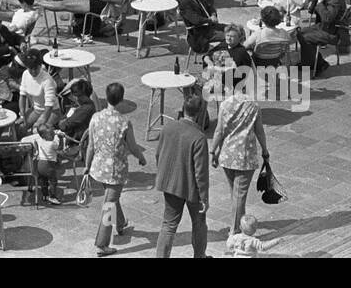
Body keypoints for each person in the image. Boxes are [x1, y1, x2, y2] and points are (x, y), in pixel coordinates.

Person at [84, 82, 145, 257]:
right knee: (109, 205)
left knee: (112, 198)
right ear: (122, 99)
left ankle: (121, 223)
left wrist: (87, 166)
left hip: (98, 168)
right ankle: (102, 244)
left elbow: (91, 146)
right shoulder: (124, 122)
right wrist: (141, 158)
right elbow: (133, 147)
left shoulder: (96, 117)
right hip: (116, 171)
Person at [154, 94, 209, 259]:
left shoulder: (167, 128)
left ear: (183, 109)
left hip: (170, 184)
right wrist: (204, 198)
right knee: (199, 223)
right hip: (192, 189)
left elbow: (159, 155)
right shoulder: (199, 137)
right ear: (200, 113)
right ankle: (199, 256)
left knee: (169, 225)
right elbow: (201, 172)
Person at [211, 89, 269, 236]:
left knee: (235, 194)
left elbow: (219, 131)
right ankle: (235, 231)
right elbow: (259, 131)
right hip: (245, 157)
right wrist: (264, 149)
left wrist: (213, 151)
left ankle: (239, 225)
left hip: (227, 155)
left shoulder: (225, 105)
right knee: (239, 195)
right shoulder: (253, 106)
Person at [298, 0, 347, 74]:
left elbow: (328, 18)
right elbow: (311, 11)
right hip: (325, 27)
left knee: (306, 37)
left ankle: (320, 64)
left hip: (334, 31)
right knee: (299, 32)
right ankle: (309, 63)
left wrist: (320, 3)